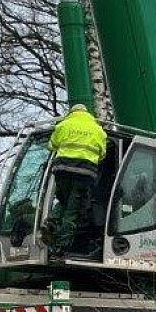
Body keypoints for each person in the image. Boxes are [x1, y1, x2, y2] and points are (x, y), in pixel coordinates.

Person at [43, 104, 106, 259]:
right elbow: (102, 154)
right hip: (84, 174)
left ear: (72, 113)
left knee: (63, 201)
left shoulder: (63, 125)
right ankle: (62, 246)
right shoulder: (99, 131)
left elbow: (51, 145)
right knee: (74, 209)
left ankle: (51, 222)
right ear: (88, 114)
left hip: (62, 170)